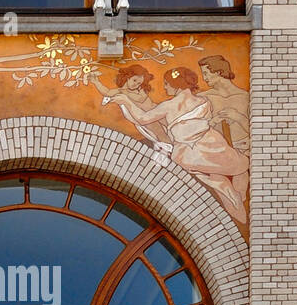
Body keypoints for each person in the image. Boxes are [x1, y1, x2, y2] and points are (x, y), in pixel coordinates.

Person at [103, 66, 249, 225]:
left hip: (189, 153)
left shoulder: (169, 106)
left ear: (176, 84)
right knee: (236, 166)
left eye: (167, 83)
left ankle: (233, 199)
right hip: (213, 145)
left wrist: (125, 101)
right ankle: (237, 200)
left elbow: (143, 118)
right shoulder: (203, 101)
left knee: (211, 176)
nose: (165, 87)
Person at [198, 55, 250, 153]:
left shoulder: (245, 96)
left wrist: (238, 117)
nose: (204, 78)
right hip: (216, 152)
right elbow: (195, 129)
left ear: (218, 72)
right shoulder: (203, 97)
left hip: (244, 150)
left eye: (206, 73)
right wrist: (214, 121)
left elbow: (259, 131)